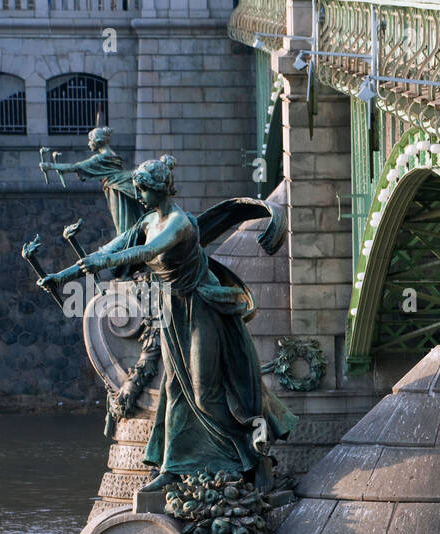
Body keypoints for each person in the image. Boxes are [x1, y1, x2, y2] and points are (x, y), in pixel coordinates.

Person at [37, 156, 297, 491]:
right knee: (175, 392)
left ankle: (254, 454)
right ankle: (173, 467)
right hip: (171, 312)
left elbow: (145, 253)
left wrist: (107, 261)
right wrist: (61, 276)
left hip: (201, 310)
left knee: (204, 394)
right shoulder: (148, 221)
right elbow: (109, 248)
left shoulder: (179, 223)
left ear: (157, 189)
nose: (138, 195)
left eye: (141, 190)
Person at [39, 126, 143, 236]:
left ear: (98, 142)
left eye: (90, 141)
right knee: (126, 223)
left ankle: (125, 245)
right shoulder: (112, 155)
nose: (89, 144)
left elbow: (75, 167)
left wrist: (50, 166)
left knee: (122, 225)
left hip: (117, 191)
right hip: (120, 188)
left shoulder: (100, 159)